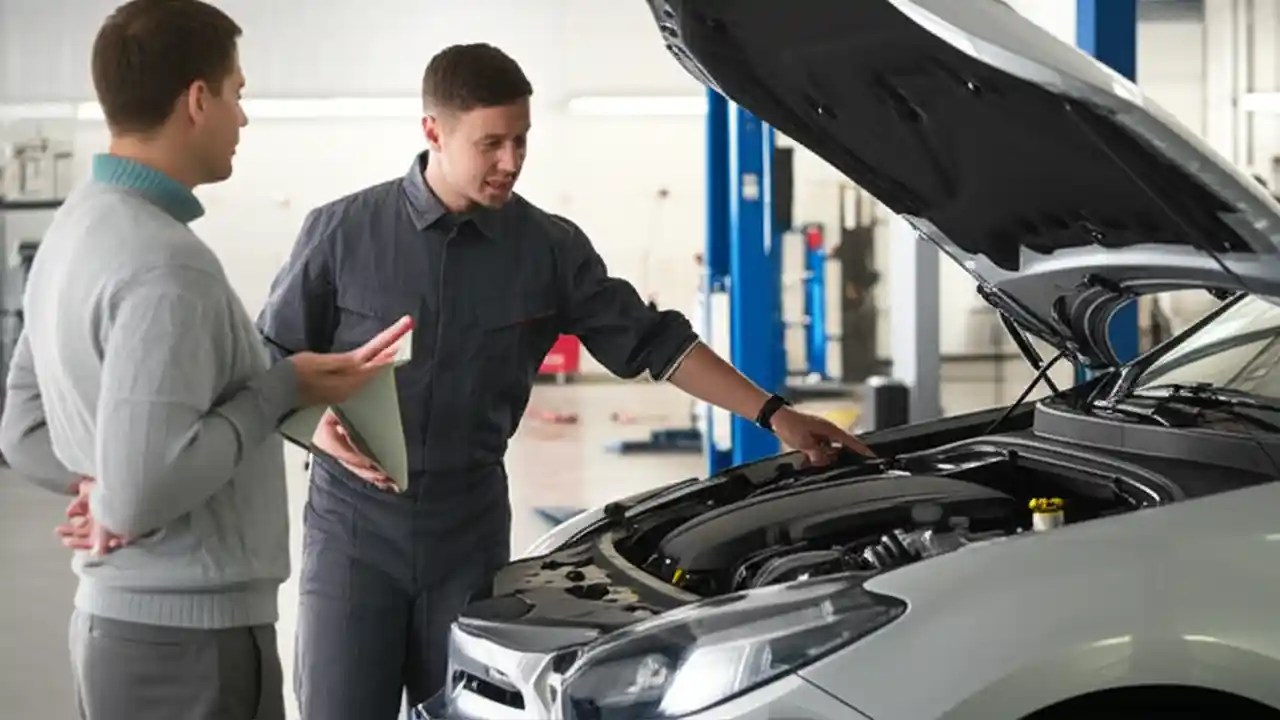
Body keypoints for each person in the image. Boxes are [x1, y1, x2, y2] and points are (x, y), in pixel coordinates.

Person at [257, 42, 873, 719]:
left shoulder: (547, 250)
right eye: (491, 143)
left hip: (468, 535)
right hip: (353, 535)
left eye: (521, 140)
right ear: (433, 131)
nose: (511, 162)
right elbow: (271, 359)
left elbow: (656, 343)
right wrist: (315, 424)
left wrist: (776, 414)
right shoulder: (343, 233)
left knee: (470, 710)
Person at [0, 1, 410, 718]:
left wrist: (106, 484)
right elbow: (138, 493)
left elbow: (22, 434)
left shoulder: (75, 228)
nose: (242, 119)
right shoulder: (167, 267)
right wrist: (283, 386)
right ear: (198, 100)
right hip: (191, 645)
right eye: (237, 94)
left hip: (115, 627)